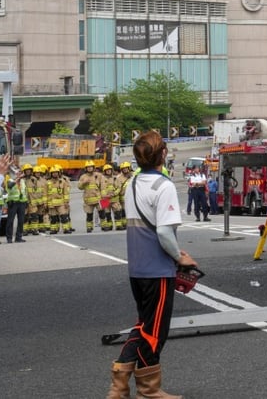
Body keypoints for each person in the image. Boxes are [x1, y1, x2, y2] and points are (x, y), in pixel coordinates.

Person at [106, 130, 197, 399]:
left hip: (137, 268)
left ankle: (119, 386)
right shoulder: (164, 186)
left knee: (144, 326)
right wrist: (180, 257)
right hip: (157, 270)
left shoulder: (133, 184)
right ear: (164, 155)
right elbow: (164, 233)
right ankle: (148, 390)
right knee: (155, 332)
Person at [45, 164, 74, 234]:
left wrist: (66, 202)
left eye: (56, 172)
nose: (55, 174)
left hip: (61, 203)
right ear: (51, 174)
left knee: (64, 216)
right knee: (53, 218)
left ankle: (66, 229)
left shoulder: (62, 181)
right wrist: (45, 203)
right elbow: (45, 194)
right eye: (53, 173)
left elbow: (65, 193)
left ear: (59, 173)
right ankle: (53, 229)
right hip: (51, 203)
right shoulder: (48, 183)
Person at [3, 168, 28, 243]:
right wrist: (17, 179)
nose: (20, 174)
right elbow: (10, 186)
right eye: (18, 172)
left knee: (21, 221)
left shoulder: (23, 181)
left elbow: (25, 192)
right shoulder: (10, 180)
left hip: (22, 203)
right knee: (10, 221)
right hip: (13, 203)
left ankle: (18, 237)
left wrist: (26, 202)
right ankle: (9, 238)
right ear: (15, 174)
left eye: (21, 172)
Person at [78, 159, 102, 232]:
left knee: (103, 213)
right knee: (89, 215)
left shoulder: (99, 175)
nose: (89, 168)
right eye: (88, 167)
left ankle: (105, 226)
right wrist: (83, 183)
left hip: (100, 199)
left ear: (93, 167)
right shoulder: (83, 177)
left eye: (91, 167)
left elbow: (104, 186)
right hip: (88, 200)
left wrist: (105, 197)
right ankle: (89, 227)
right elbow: (79, 187)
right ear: (85, 168)